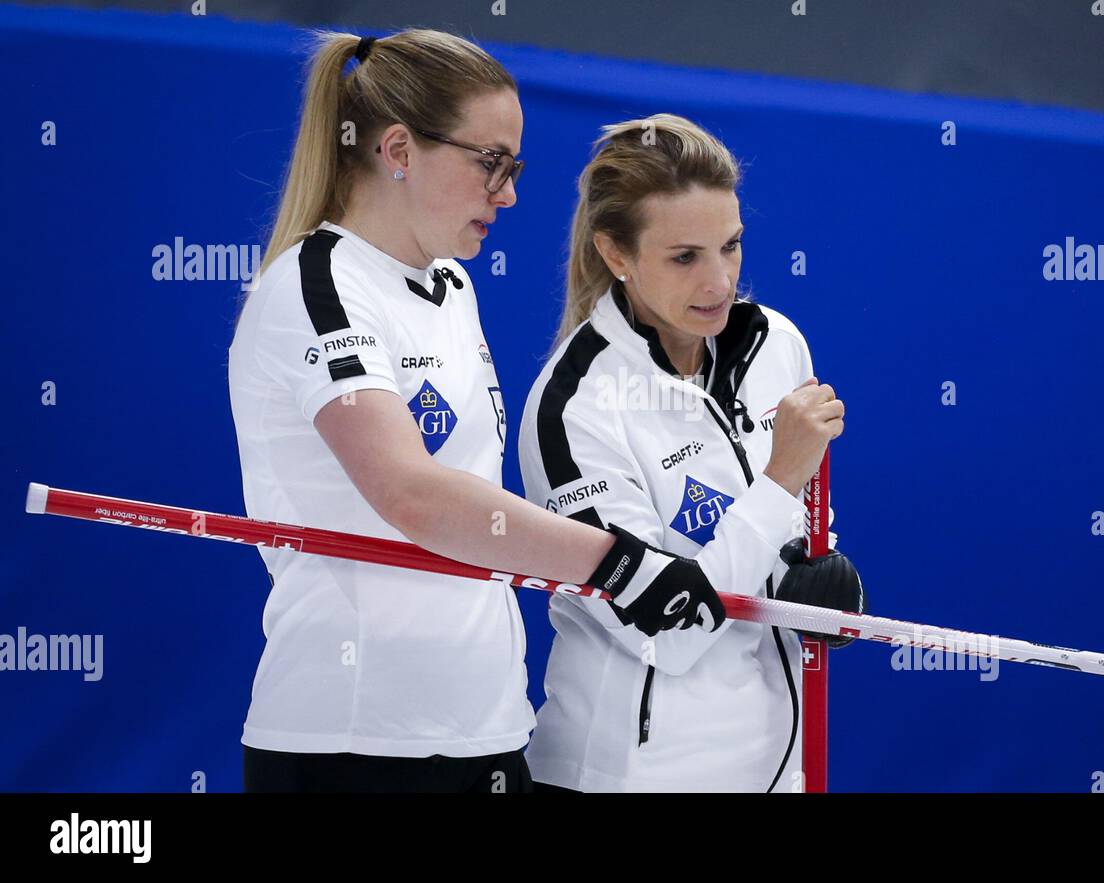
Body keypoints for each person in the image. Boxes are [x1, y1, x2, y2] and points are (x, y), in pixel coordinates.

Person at [228, 32, 726, 793]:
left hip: (486, 729)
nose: (510, 194)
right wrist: (618, 560)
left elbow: (471, 507)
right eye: (490, 163)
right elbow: (411, 493)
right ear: (398, 149)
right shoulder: (316, 285)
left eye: (514, 167)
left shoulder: (451, 288)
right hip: (354, 742)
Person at [519, 114, 865, 792]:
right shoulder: (573, 409)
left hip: (772, 769)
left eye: (731, 246)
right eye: (686, 257)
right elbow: (667, 628)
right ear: (617, 255)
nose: (720, 282)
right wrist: (780, 480)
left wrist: (813, 580)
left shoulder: (775, 342)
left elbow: (781, 538)